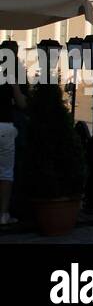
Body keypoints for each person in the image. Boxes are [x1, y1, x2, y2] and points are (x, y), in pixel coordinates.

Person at [0, 73, 28, 226]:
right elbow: (22, 104)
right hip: (4, 126)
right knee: (5, 173)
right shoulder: (8, 76)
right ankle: (3, 214)